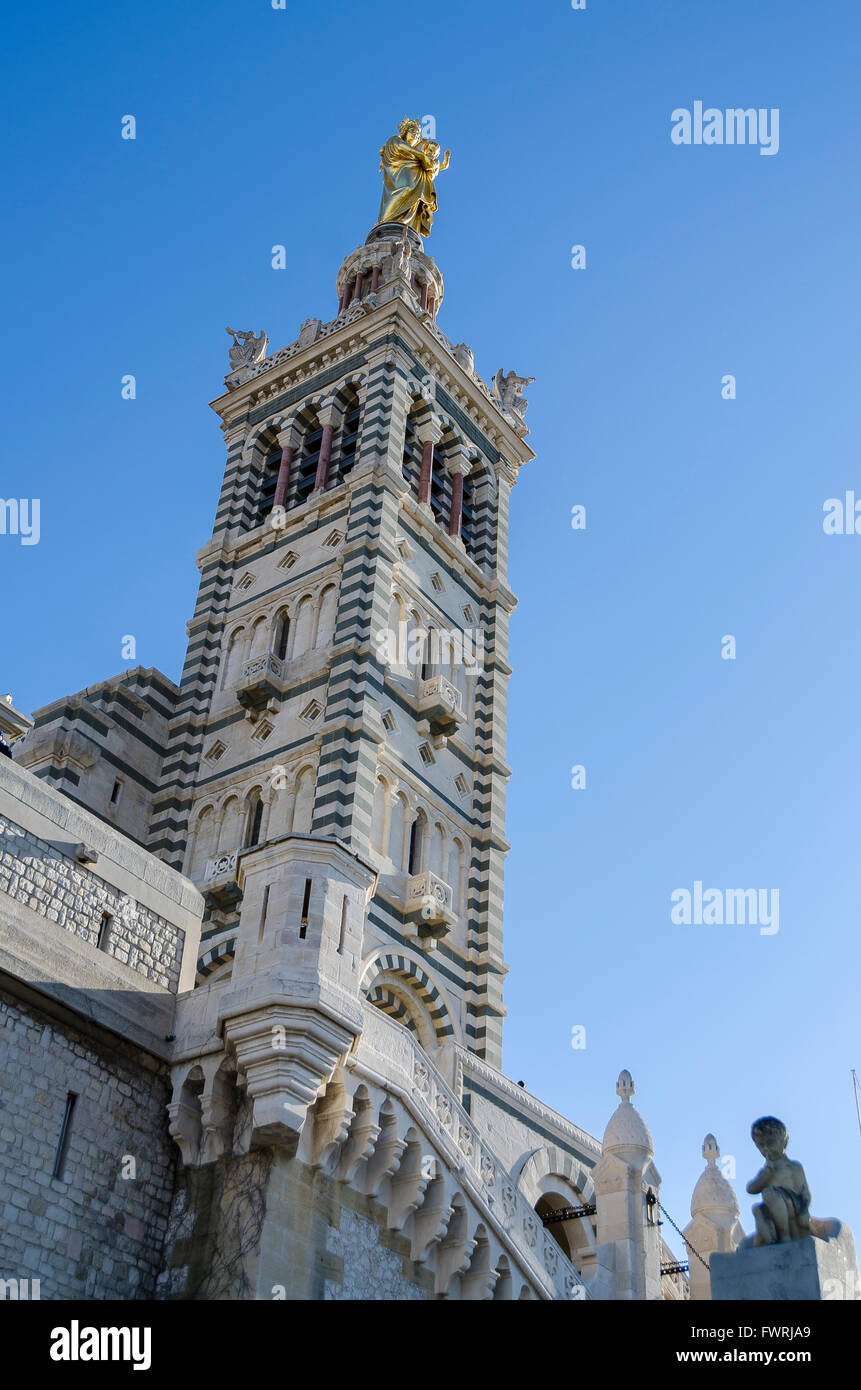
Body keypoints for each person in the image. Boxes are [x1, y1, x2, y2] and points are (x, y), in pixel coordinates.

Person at [746, 1116, 811, 1244]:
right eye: (761, 1145)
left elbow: (804, 1192)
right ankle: (771, 1239)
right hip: (773, 1208)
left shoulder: (793, 1167)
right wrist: (767, 1174)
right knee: (758, 1209)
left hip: (793, 1205)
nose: (766, 1149)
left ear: (783, 1142)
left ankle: (784, 1235)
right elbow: (751, 1189)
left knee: (769, 1193)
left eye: (770, 1143)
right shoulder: (766, 1171)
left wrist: (803, 1211)